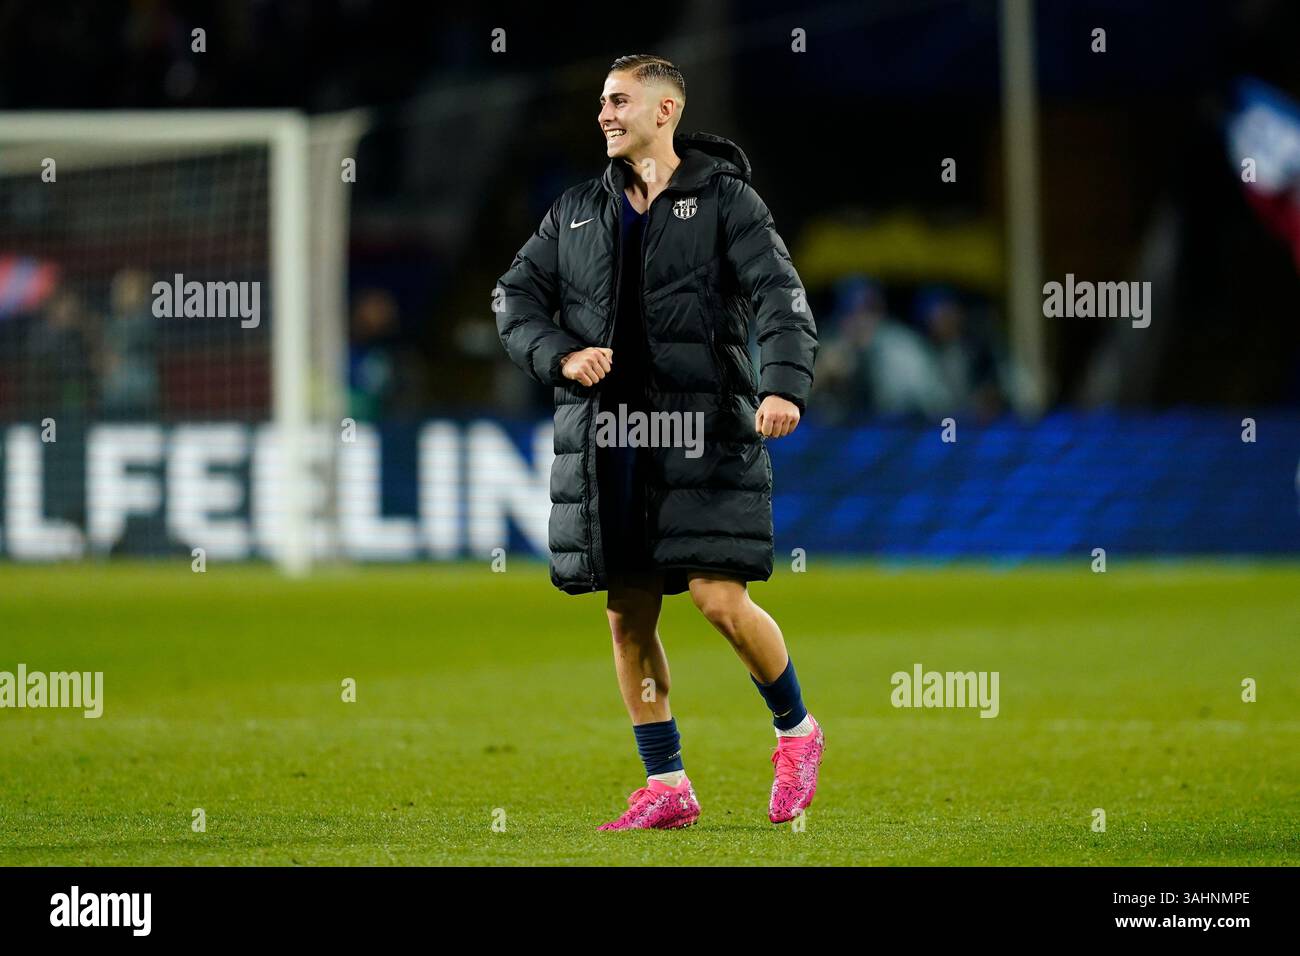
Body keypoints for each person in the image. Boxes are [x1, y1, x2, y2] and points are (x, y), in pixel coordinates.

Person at [495, 54, 822, 830]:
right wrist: (562, 356)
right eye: (602, 102)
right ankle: (666, 783)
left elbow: (780, 295)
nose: (604, 114)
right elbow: (514, 298)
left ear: (665, 111)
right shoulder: (574, 211)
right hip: (609, 439)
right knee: (628, 614)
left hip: (703, 431)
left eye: (619, 101)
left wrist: (782, 385)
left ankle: (796, 729)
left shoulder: (727, 202)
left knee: (717, 597)